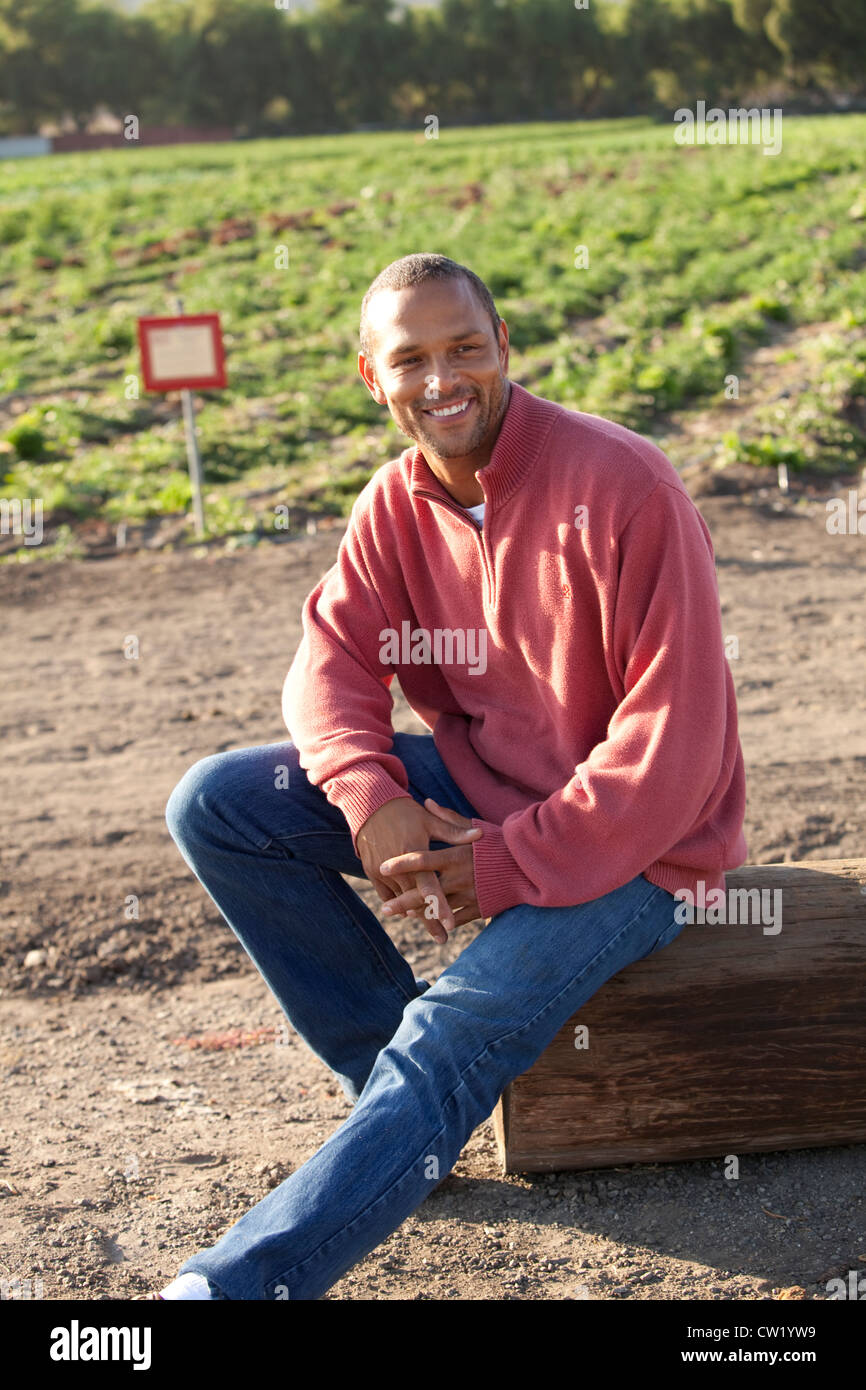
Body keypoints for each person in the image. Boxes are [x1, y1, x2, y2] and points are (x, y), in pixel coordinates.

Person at [144, 252, 747, 1300]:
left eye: (464, 347)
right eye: (411, 357)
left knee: (456, 1022)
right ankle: (393, 1116)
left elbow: (672, 750)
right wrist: (371, 798)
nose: (442, 377)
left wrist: (508, 863)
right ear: (371, 377)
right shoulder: (392, 505)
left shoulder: (624, 484)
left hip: (641, 852)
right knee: (220, 804)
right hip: (481, 792)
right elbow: (328, 662)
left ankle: (231, 1287)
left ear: (503, 346)